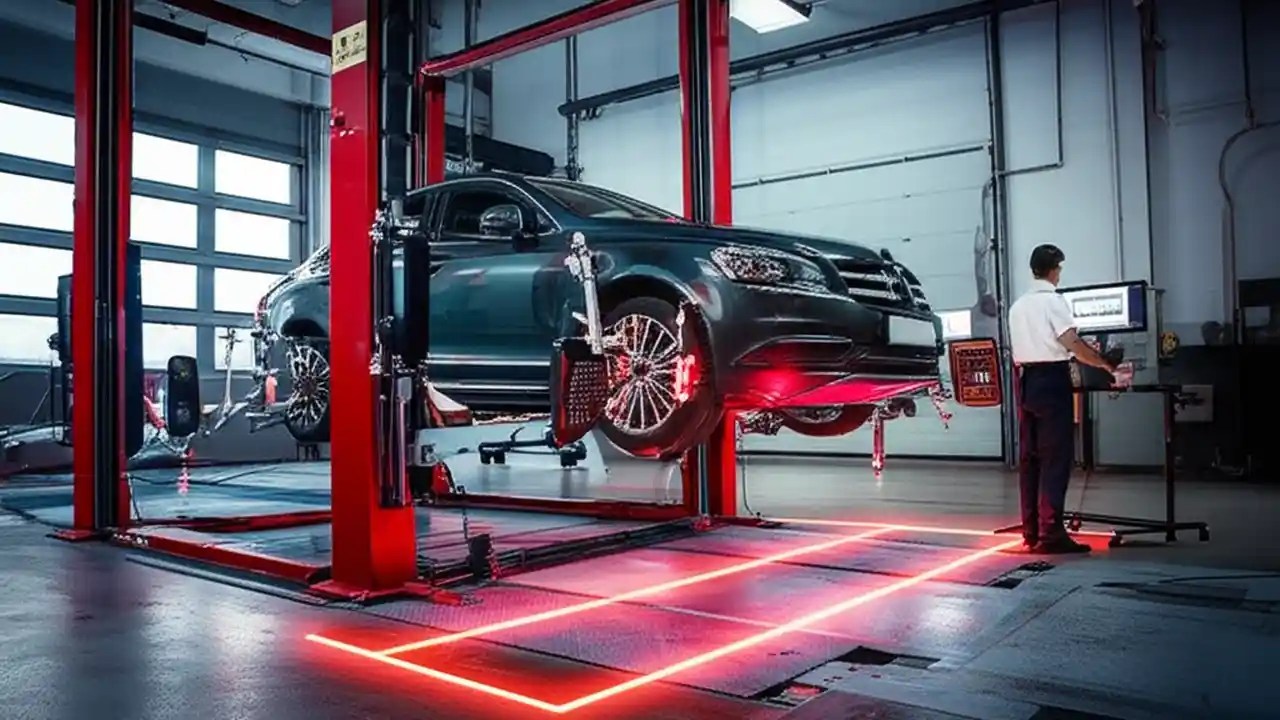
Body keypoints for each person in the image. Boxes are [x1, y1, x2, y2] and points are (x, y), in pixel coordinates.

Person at [1007, 244, 1118, 554]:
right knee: (1056, 458)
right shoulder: (1053, 302)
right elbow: (1071, 343)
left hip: (1025, 381)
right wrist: (1104, 362)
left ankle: (1032, 532)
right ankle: (1052, 534)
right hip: (1052, 381)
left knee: (1031, 460)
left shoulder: (1017, 307)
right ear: (1055, 269)